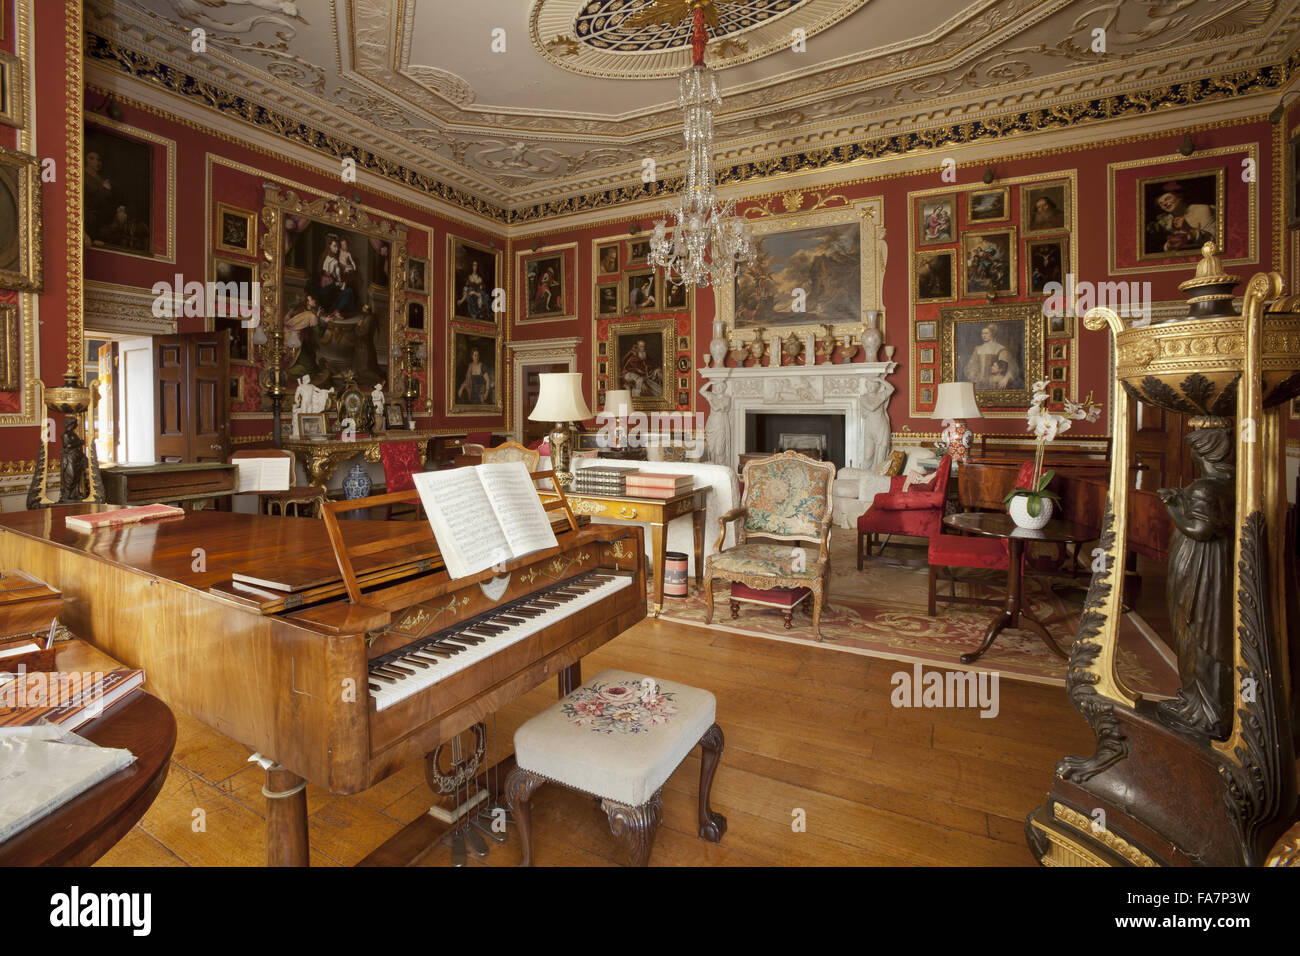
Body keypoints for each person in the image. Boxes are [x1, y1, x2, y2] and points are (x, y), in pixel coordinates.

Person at [1155, 427, 1235, 739]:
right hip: (1216, 565)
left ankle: (1204, 710)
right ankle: (1200, 702)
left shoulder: (1206, 489)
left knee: (1193, 628)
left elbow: (1201, 530)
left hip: (1200, 567)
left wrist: (1172, 506)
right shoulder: (1231, 483)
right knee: (1204, 630)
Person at [1148, 183, 1215, 254]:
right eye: (1161, 204)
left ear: (1179, 196)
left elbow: (1213, 241)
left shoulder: (1201, 209)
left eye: (1167, 199)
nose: (1164, 204)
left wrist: (1189, 229)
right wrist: (1169, 245)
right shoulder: (1166, 220)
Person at [965, 324, 1019, 389]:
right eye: (982, 333)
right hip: (980, 384)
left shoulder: (1000, 349)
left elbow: (1011, 367)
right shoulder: (978, 349)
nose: (984, 335)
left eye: (986, 333)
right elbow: (971, 366)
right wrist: (972, 374)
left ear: (992, 334)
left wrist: (1006, 378)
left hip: (995, 384)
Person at [699, 379, 732, 470]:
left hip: (721, 425)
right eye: (717, 387)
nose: (719, 388)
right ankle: (713, 469)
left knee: (719, 450)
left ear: (724, 388)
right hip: (711, 424)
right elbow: (701, 391)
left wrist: (710, 401)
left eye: (721, 387)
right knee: (711, 449)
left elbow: (716, 408)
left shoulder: (727, 398)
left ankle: (722, 469)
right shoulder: (712, 395)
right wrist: (710, 383)